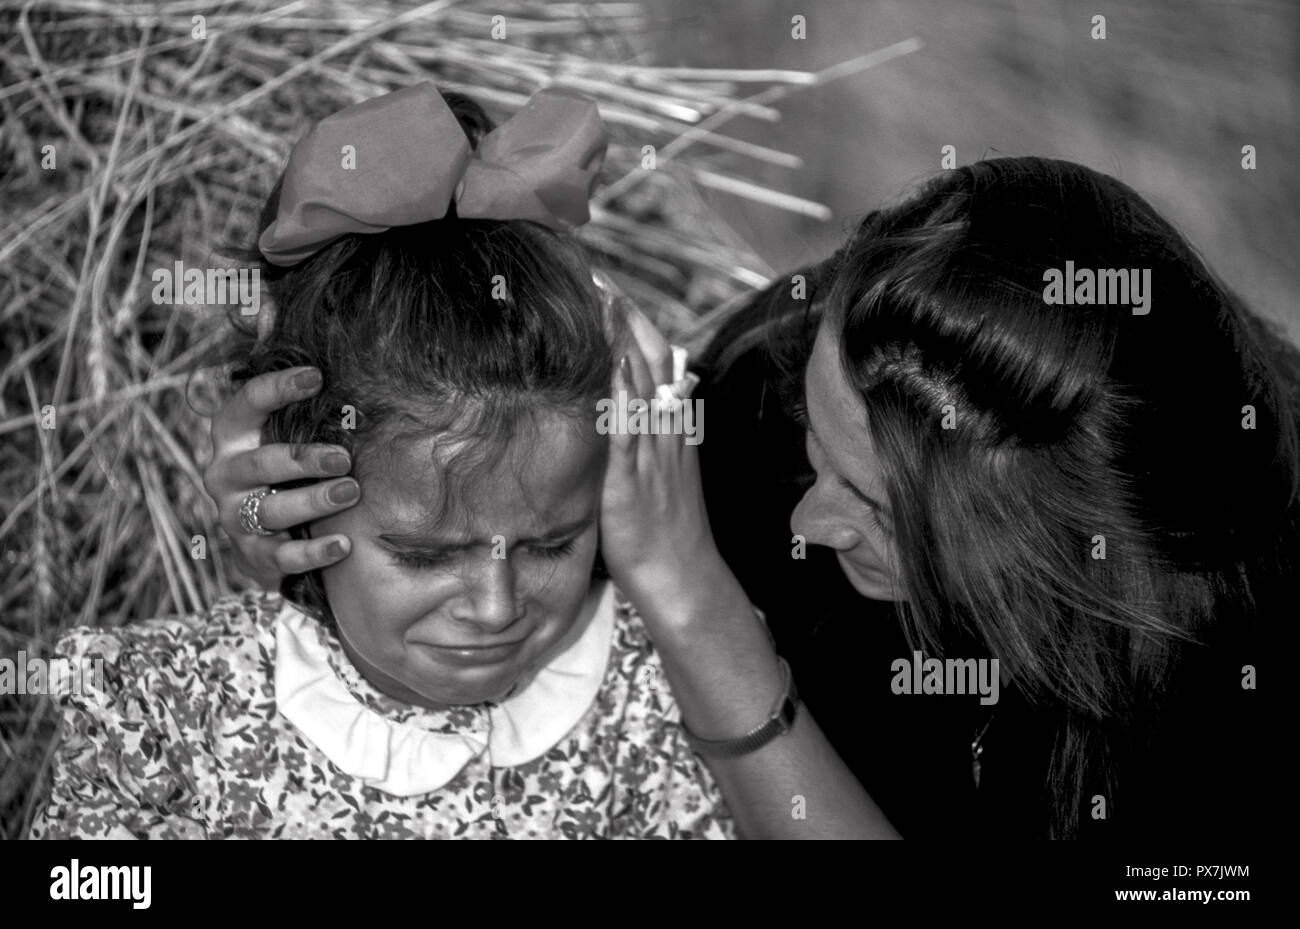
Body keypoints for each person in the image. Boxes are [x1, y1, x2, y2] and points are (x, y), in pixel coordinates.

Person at [204, 155, 1296, 840]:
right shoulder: (780, 370)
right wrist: (302, 537)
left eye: (875, 509)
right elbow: (497, 553)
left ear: (1065, 559)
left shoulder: (1230, 707)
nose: (803, 524)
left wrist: (698, 604)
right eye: (817, 448)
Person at [29, 85, 737, 840]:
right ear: (292, 486)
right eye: (424, 555)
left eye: (549, 543)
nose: (495, 607)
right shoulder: (164, 719)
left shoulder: (664, 706)